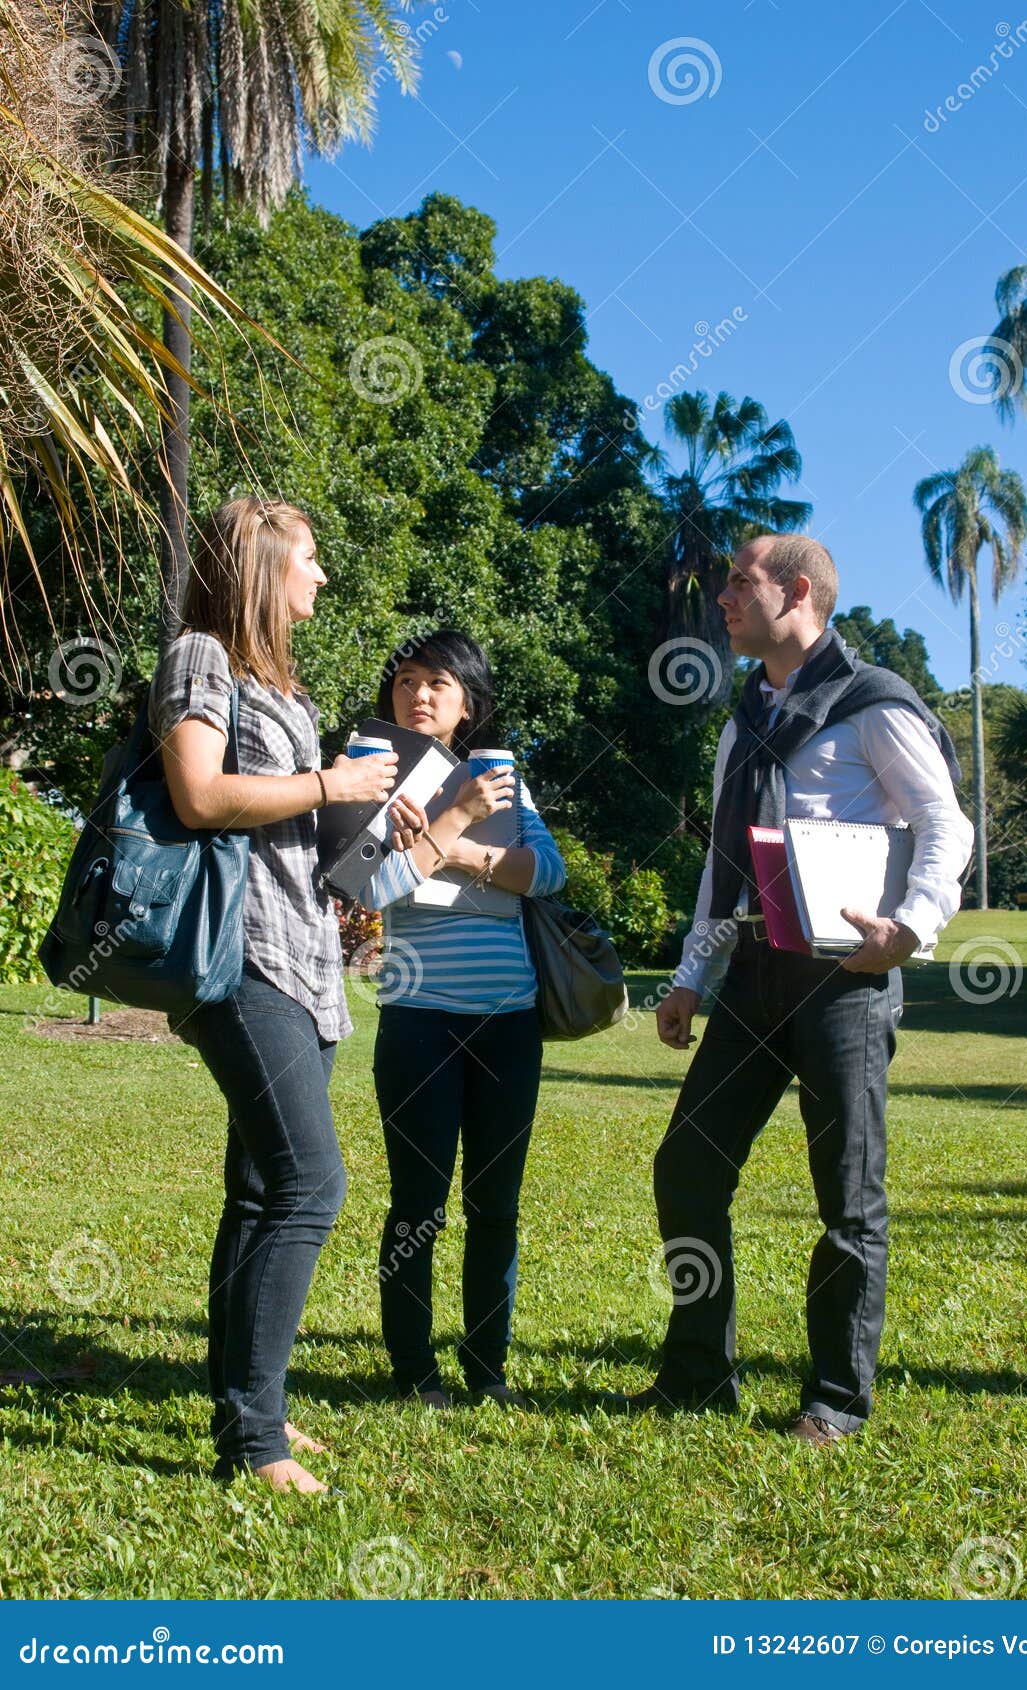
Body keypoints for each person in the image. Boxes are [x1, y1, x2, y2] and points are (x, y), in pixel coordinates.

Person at [618, 535, 974, 1443]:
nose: (723, 599)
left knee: (847, 1198)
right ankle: (699, 1375)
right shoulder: (742, 721)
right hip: (749, 977)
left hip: (845, 981)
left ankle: (834, 1400)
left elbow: (943, 823)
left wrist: (914, 930)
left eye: (740, 583)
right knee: (688, 1169)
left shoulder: (871, 704)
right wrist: (690, 980)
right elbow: (721, 864)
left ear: (799, 592)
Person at [148, 496, 398, 1493]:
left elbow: (309, 839)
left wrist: (377, 807)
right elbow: (200, 795)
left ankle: (256, 1406)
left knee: (259, 1191)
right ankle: (256, 1445)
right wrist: (330, 785)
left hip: (305, 959)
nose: (322, 578)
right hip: (240, 957)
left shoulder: (275, 684)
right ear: (261, 565)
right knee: (310, 1183)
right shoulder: (199, 659)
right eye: (311, 557)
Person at [359, 629, 566, 1409]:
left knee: (496, 1203)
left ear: (467, 703)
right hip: (417, 1020)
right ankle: (412, 1371)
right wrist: (448, 824)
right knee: (417, 1204)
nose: (417, 694)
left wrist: (461, 842)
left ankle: (488, 1370)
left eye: (437, 684)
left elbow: (546, 872)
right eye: (406, 680)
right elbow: (367, 889)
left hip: (507, 1023)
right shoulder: (372, 781)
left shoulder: (500, 779)